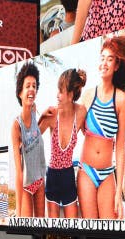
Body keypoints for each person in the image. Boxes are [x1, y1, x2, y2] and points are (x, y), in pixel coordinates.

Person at [77, 35, 125, 219]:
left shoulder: (121, 98)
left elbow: (120, 146)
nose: (104, 63)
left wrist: (118, 192)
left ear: (116, 66)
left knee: (109, 224)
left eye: (109, 59)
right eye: (102, 58)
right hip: (86, 171)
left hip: (108, 173)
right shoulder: (88, 95)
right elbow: (75, 130)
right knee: (90, 227)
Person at [42, 68, 87, 218]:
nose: (57, 95)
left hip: (68, 176)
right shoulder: (52, 114)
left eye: (61, 91)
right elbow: (32, 136)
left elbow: (89, 134)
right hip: (52, 177)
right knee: (53, 228)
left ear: (71, 94)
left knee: (72, 226)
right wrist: (41, 117)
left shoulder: (81, 112)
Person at [11, 62, 47, 218]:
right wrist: (18, 211)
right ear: (20, 92)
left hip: (39, 180)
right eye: (27, 86)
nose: (32, 89)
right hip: (26, 185)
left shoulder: (34, 110)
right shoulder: (16, 126)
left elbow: (35, 133)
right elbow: (18, 171)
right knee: (26, 224)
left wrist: (43, 117)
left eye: (34, 86)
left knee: (40, 226)